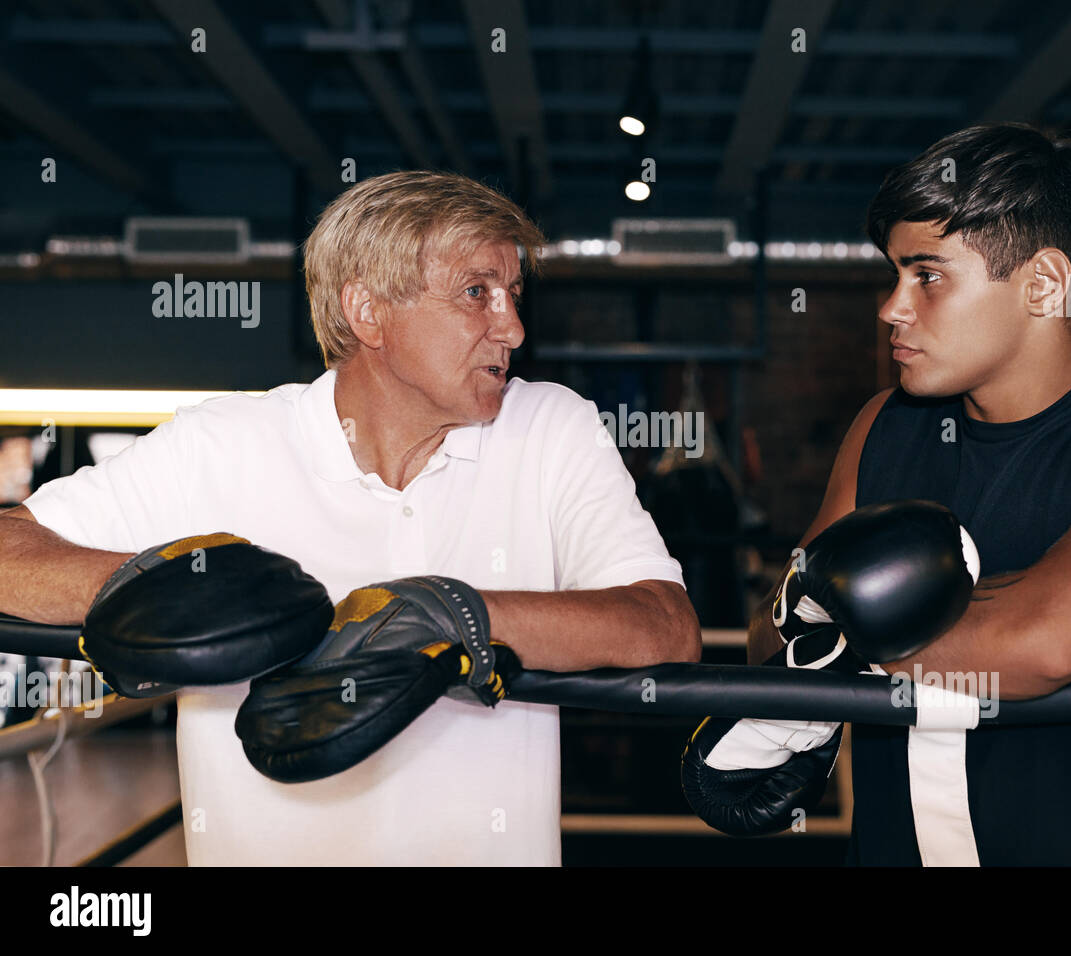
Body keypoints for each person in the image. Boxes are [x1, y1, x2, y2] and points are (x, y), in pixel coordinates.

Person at [0, 170, 700, 865]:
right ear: (368, 313)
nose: (512, 326)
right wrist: (154, 590)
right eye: (476, 292)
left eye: (513, 294)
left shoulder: (549, 426)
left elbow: (664, 626)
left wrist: (462, 617)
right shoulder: (222, 442)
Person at [748, 122, 1071, 865]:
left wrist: (830, 647)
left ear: (1042, 283)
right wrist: (819, 635)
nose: (891, 307)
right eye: (894, 274)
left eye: (928, 275)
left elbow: (1048, 641)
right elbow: (772, 630)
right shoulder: (883, 426)